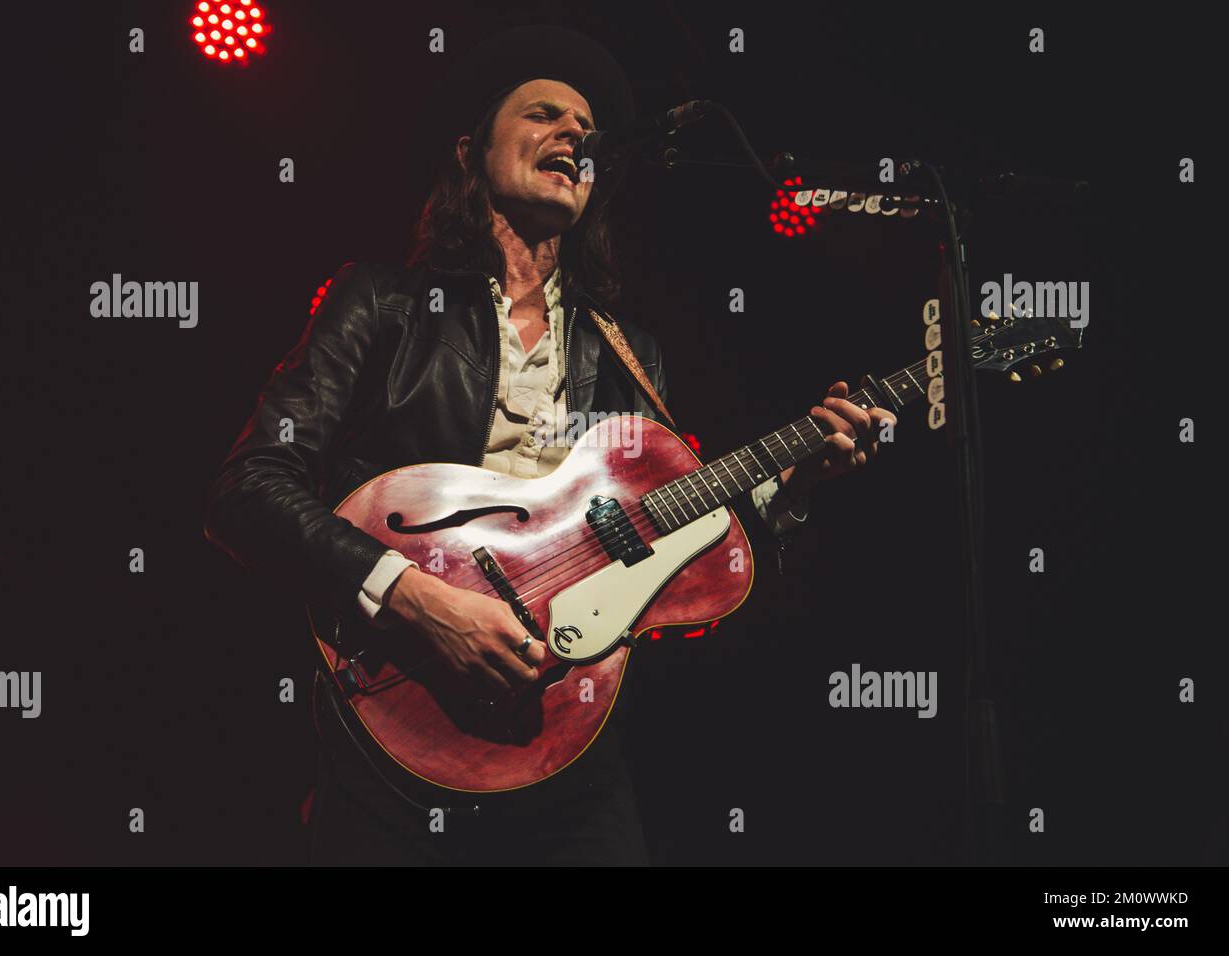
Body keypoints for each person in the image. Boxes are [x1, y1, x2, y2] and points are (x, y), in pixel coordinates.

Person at [203, 25, 895, 866]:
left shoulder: (628, 350)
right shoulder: (380, 303)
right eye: (543, 114)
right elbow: (248, 490)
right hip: (397, 721)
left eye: (586, 127)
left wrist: (793, 484)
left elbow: (669, 557)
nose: (574, 133)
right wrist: (424, 601)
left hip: (568, 740)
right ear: (471, 151)